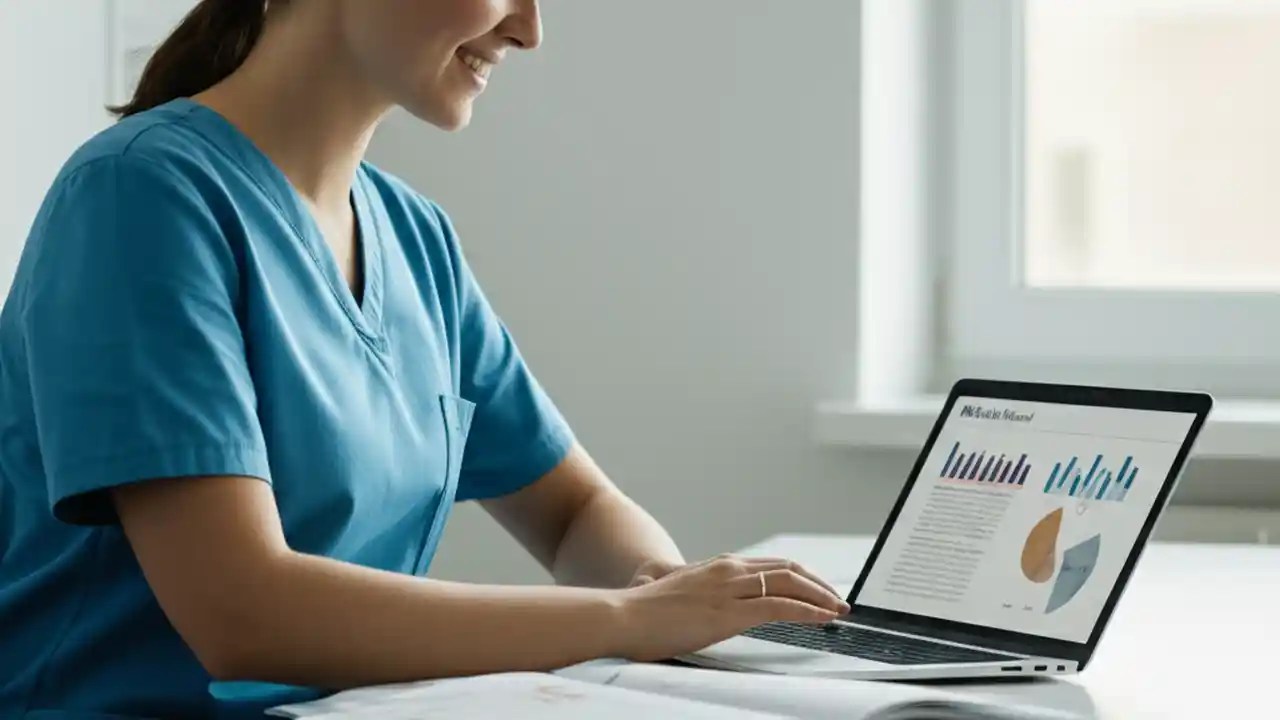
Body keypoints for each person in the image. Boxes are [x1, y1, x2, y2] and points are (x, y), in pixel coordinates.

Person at [0, 1, 849, 718]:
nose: (529, 29)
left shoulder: (415, 238)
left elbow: (572, 508)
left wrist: (669, 592)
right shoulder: (138, 196)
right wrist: (628, 617)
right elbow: (240, 612)